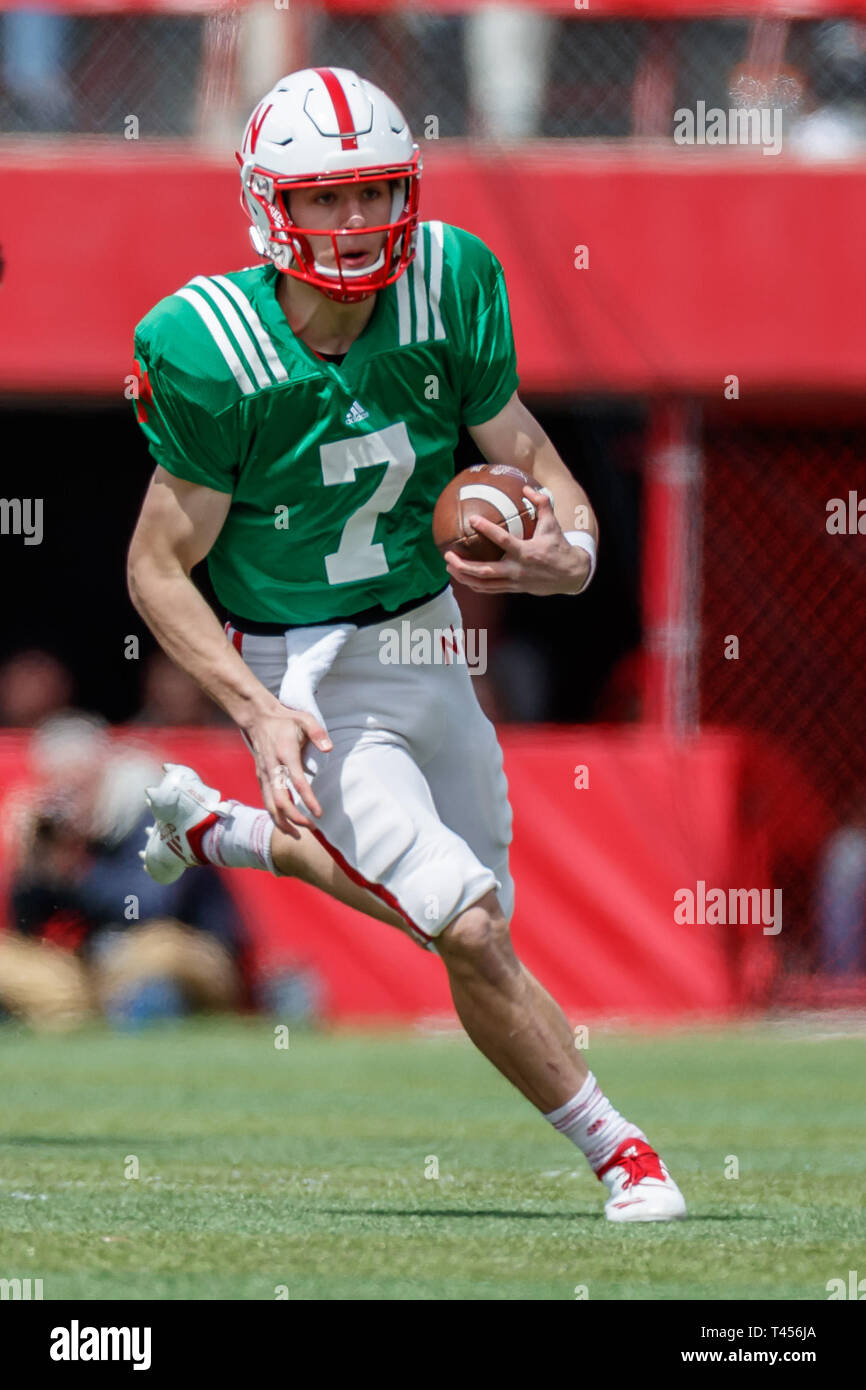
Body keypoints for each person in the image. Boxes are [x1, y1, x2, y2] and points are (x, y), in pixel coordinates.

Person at [126, 66, 685, 1222]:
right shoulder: (208, 343)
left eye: (373, 193)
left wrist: (569, 553)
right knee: (463, 923)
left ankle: (227, 831)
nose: (351, 223)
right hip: (306, 667)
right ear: (267, 204)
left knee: (479, 917)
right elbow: (154, 565)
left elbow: (522, 450)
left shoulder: (451, 281)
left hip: (429, 642)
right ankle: (621, 1151)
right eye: (323, 199)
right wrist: (254, 707)